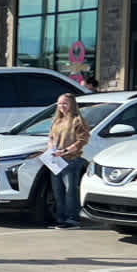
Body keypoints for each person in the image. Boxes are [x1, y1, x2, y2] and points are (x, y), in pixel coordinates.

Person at [47, 92, 92, 227]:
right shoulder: (57, 120)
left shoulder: (77, 120)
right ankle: (60, 219)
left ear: (72, 104)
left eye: (65, 103)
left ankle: (72, 219)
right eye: (60, 103)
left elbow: (82, 140)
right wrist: (51, 149)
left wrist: (65, 151)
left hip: (71, 160)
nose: (62, 106)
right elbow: (51, 138)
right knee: (58, 191)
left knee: (70, 192)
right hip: (55, 161)